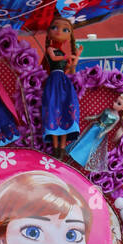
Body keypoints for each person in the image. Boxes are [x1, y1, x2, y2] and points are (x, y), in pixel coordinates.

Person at [40, 16, 80, 156]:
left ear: (69, 36)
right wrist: (67, 57)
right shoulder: (51, 49)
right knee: (53, 109)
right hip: (53, 81)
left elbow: (70, 69)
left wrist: (75, 60)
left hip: (64, 82)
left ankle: (62, 147)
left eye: (65, 29)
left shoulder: (64, 53)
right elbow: (54, 58)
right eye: (54, 27)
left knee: (64, 110)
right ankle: (55, 146)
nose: (59, 31)